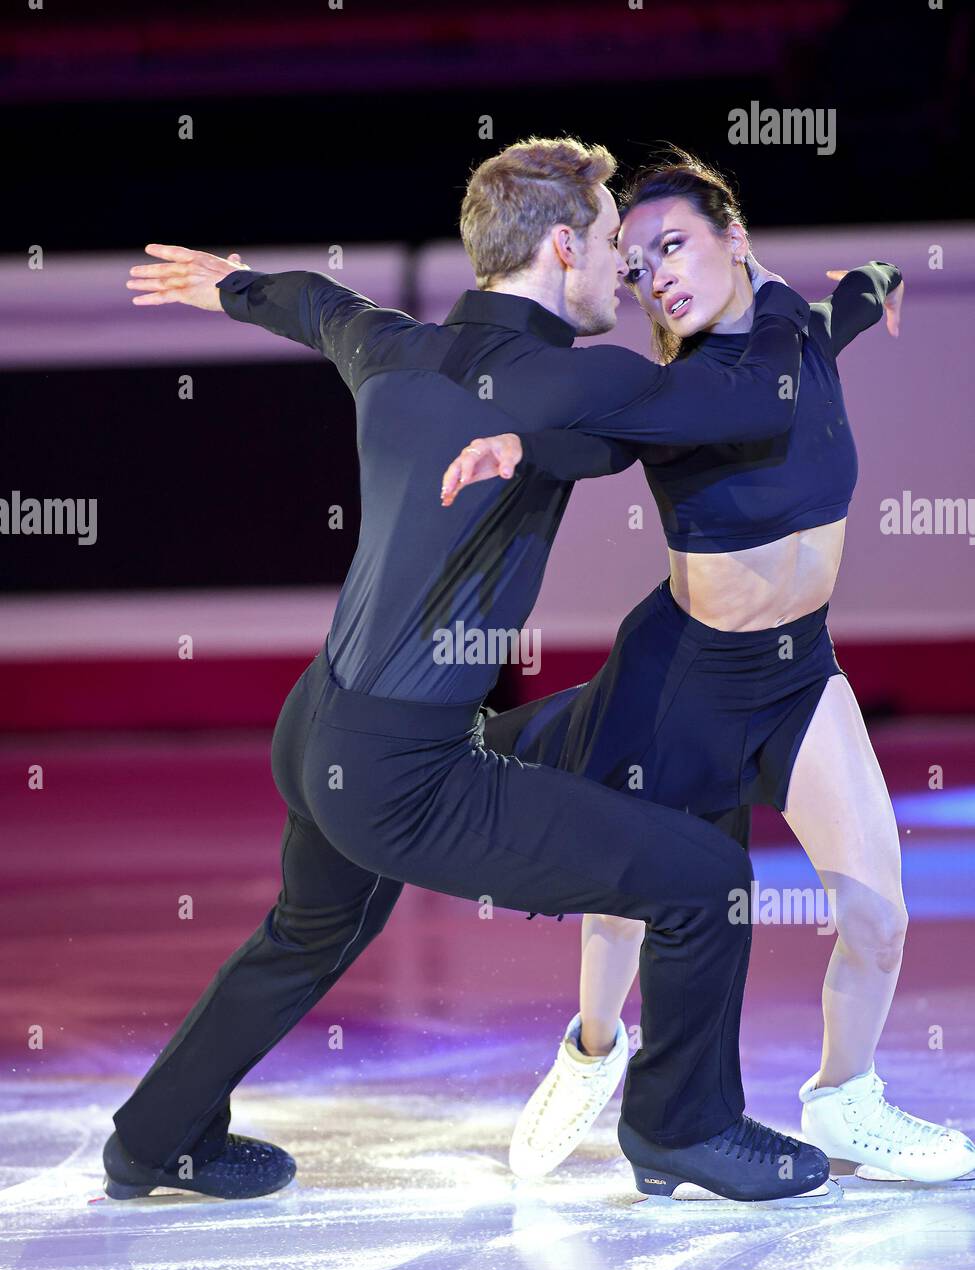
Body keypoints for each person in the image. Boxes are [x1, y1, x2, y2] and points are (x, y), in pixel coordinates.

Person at [105, 137, 830, 1208]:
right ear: (559, 245)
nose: (623, 277)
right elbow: (752, 401)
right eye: (610, 253)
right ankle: (686, 1126)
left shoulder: (394, 347)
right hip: (406, 772)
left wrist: (232, 285)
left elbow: (320, 305)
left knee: (311, 927)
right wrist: (764, 283)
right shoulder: (576, 383)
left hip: (319, 729)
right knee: (705, 883)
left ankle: (152, 1137)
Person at [446, 149, 975, 1186]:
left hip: (798, 676)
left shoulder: (801, 343)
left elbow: (850, 303)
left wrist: (880, 283)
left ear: (737, 237)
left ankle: (844, 1097)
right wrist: (524, 443)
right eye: (635, 266)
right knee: (629, 900)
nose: (656, 277)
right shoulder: (679, 392)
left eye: (674, 245)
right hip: (684, 672)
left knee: (878, 914)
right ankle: (594, 1052)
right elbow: (602, 433)